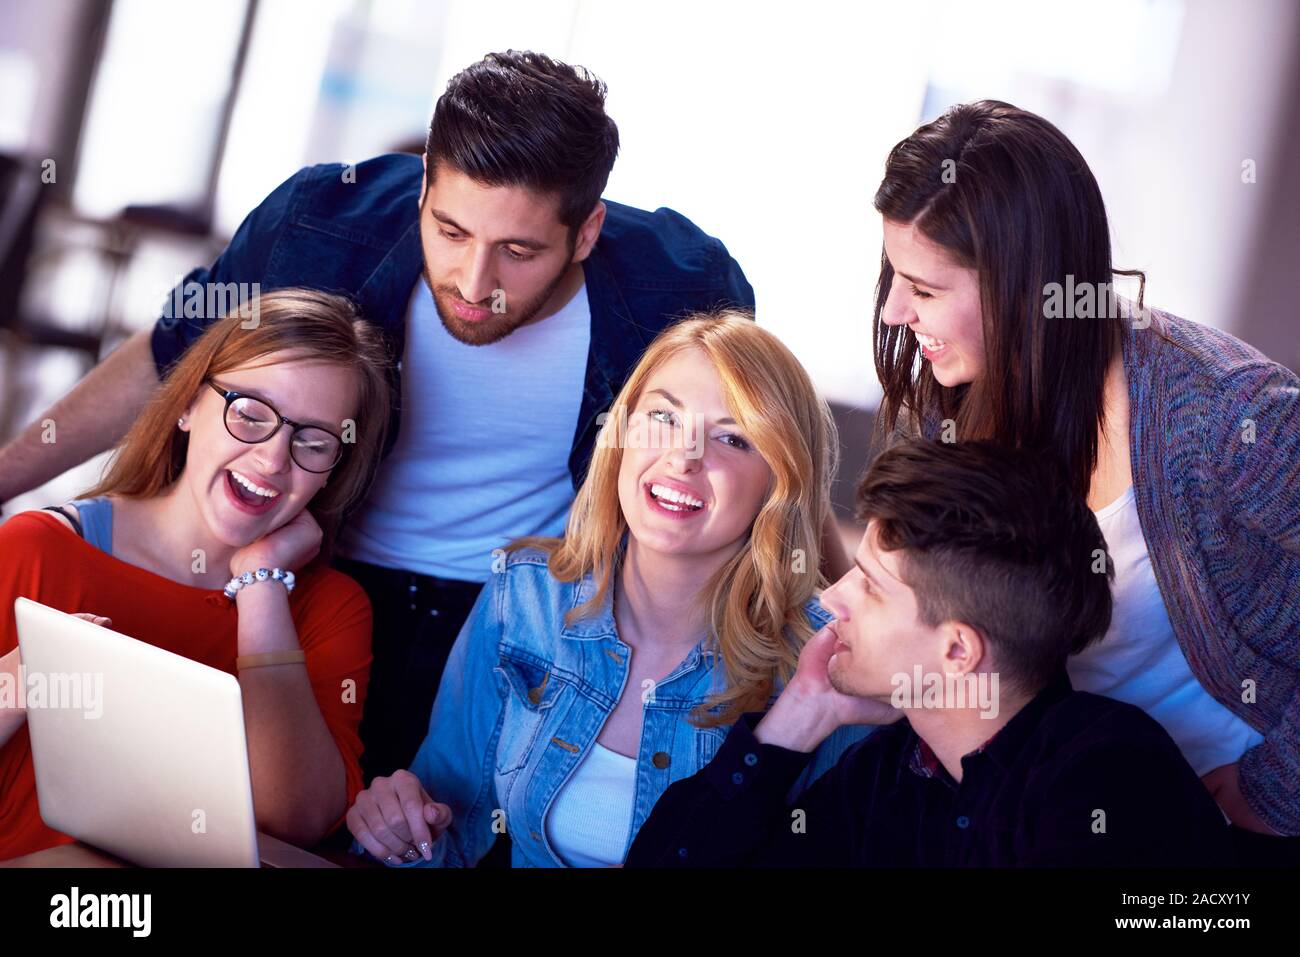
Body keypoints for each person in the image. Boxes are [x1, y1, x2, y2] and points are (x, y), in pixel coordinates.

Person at [0, 51, 848, 785]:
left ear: (587, 230)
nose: (474, 281)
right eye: (449, 230)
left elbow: (774, 453)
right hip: (316, 580)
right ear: (424, 189)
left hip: (512, 625)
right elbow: (169, 356)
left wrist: (851, 606)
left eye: (519, 251)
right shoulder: (318, 224)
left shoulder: (677, 283)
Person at [865, 100, 1300, 856]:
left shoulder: (1226, 417)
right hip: (1062, 804)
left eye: (926, 289)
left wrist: (1278, 787)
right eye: (894, 277)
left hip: (1226, 820)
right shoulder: (956, 398)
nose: (897, 311)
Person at [345, 312, 868, 867]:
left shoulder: (823, 659)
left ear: (779, 482)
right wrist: (398, 833)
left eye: (732, 437)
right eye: (664, 417)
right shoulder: (523, 594)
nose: (683, 456)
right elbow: (446, 832)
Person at [626, 439, 1238, 867]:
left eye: (869, 585)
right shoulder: (892, 771)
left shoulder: (1106, 773)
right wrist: (800, 715)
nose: (832, 598)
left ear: (956, 651)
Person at [0, 288, 390, 861]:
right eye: (251, 415)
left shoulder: (331, 606)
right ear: (186, 405)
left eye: (312, 441)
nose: (273, 461)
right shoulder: (36, 548)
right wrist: (21, 681)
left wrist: (260, 585)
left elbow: (297, 818)